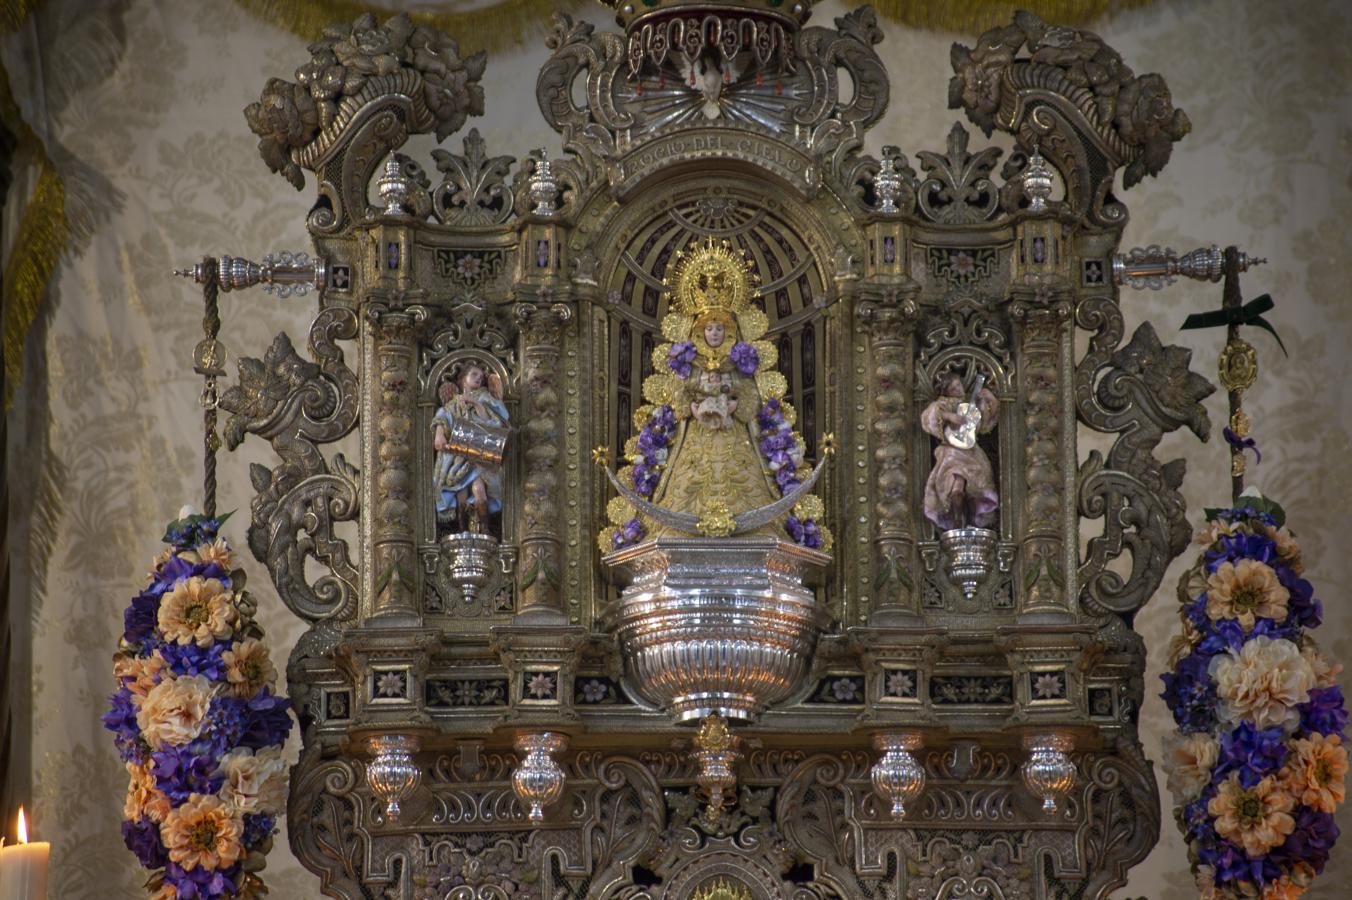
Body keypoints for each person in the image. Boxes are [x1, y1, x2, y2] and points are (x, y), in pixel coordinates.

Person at [651, 306, 779, 528]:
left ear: (728, 331)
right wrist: (690, 407)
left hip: (733, 430)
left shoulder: (736, 364)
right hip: (697, 431)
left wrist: (734, 405)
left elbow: (749, 394)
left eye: (719, 328)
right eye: (709, 328)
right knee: (689, 479)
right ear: (701, 332)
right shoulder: (692, 365)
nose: (714, 333)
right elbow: (680, 393)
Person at [432, 362, 508, 534]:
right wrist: (439, 433)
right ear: (463, 380)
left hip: (479, 455)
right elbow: (442, 416)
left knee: (480, 491)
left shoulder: (485, 397)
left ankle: (486, 530)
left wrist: (475, 403)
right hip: (458, 457)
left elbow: (494, 422)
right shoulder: (453, 404)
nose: (478, 379)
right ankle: (461, 529)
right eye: (474, 375)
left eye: (481, 377)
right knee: (461, 494)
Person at [921, 372, 999, 531]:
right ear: (947, 392)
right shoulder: (946, 404)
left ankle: (970, 520)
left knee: (974, 488)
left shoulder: (971, 404)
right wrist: (950, 416)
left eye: (959, 385)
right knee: (956, 486)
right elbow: (929, 416)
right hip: (951, 452)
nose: (958, 389)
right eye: (953, 388)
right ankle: (958, 521)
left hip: (972, 452)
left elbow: (985, 424)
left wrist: (990, 398)